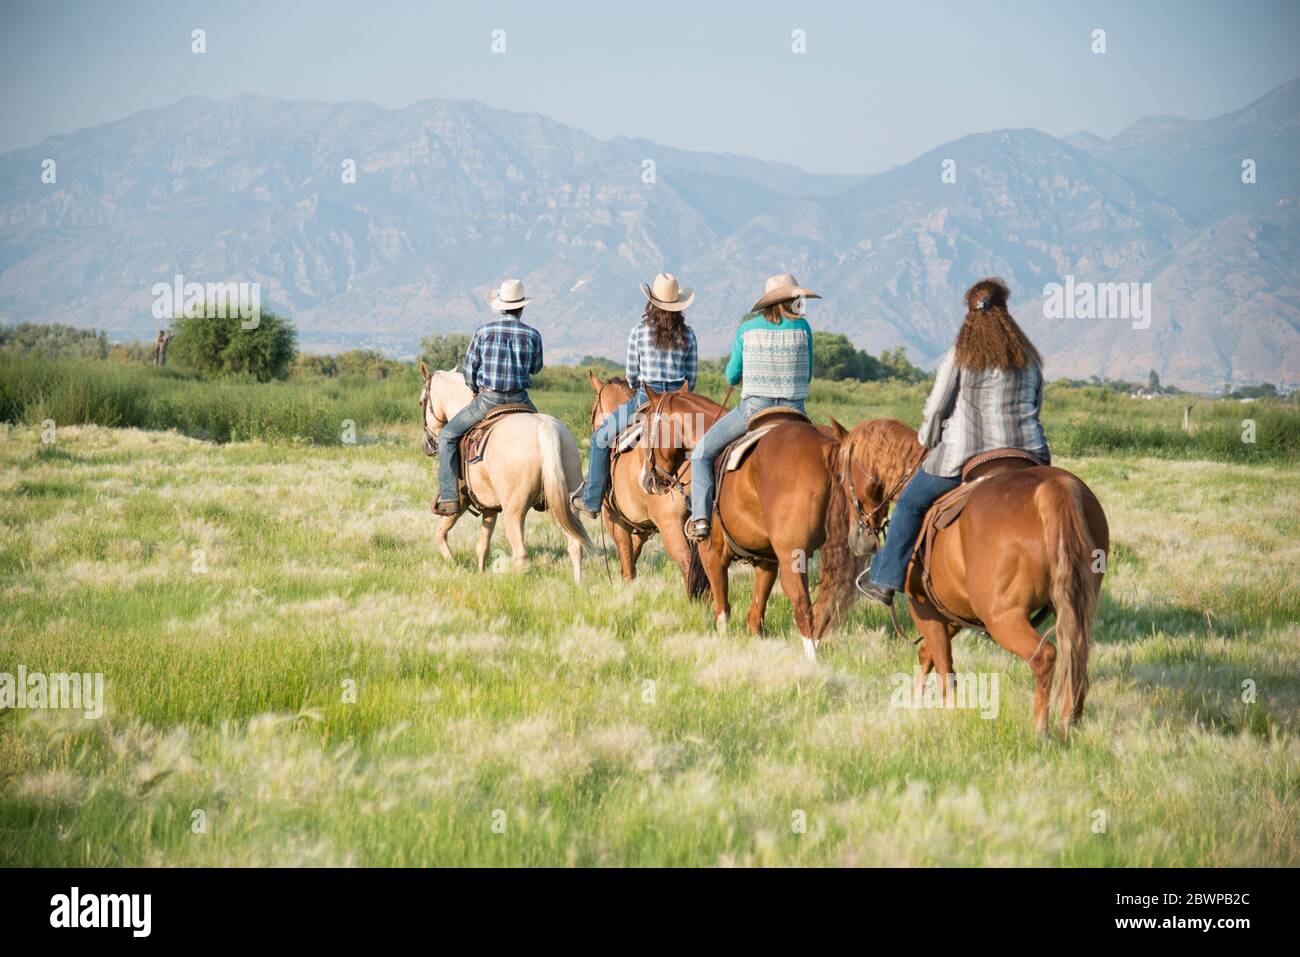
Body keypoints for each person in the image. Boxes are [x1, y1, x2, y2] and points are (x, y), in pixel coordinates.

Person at [858, 277, 1051, 606]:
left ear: (969, 316)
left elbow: (936, 408)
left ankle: (884, 579)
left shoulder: (960, 355)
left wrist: (927, 439)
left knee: (910, 504)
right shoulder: (1029, 358)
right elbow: (1036, 405)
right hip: (1028, 454)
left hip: (966, 455)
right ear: (1006, 312)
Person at [685, 273, 818, 541]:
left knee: (701, 453)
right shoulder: (803, 328)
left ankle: (700, 518)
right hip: (796, 414)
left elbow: (731, 375)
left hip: (754, 410)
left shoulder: (747, 329)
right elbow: (807, 376)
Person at [572, 273, 698, 519]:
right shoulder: (689, 335)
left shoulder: (639, 332)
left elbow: (631, 375)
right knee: (704, 448)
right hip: (679, 402)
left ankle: (592, 500)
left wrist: (642, 390)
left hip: (646, 398)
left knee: (600, 437)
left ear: (651, 303)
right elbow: (690, 380)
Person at [433, 278, 543, 516]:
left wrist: (474, 390)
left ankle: (450, 497)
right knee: (546, 435)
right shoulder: (533, 335)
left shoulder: (484, 332)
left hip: (489, 400)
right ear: (522, 307)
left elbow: (470, 369)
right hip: (521, 401)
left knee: (448, 437)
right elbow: (536, 368)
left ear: (501, 307)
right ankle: (544, 491)